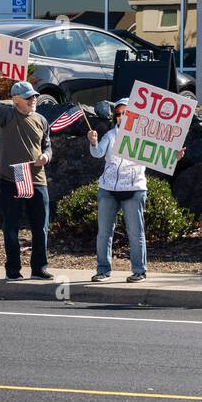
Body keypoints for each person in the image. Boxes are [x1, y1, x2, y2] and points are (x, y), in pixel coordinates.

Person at [0, 72, 54, 281]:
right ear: (16, 100)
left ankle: (39, 268)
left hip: (37, 179)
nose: (33, 99)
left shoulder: (41, 120)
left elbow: (48, 146)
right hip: (11, 178)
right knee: (11, 227)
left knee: (40, 227)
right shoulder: (7, 115)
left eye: (34, 96)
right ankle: (13, 268)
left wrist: (46, 157)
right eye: (28, 97)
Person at [86, 98, 148, 283]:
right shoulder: (110, 135)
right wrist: (94, 142)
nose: (121, 117)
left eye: (125, 113)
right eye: (118, 114)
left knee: (136, 233)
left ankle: (139, 271)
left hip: (134, 189)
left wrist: (174, 156)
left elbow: (162, 157)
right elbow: (97, 154)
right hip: (108, 189)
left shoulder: (145, 136)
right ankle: (103, 270)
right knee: (104, 232)